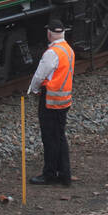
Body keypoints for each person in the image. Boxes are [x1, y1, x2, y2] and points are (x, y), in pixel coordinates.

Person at [27, 20, 74, 186]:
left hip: (50, 101)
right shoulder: (68, 50)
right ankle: (64, 173)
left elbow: (40, 76)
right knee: (59, 137)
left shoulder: (52, 53)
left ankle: (49, 174)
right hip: (64, 100)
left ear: (49, 33)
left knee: (50, 138)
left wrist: (32, 90)